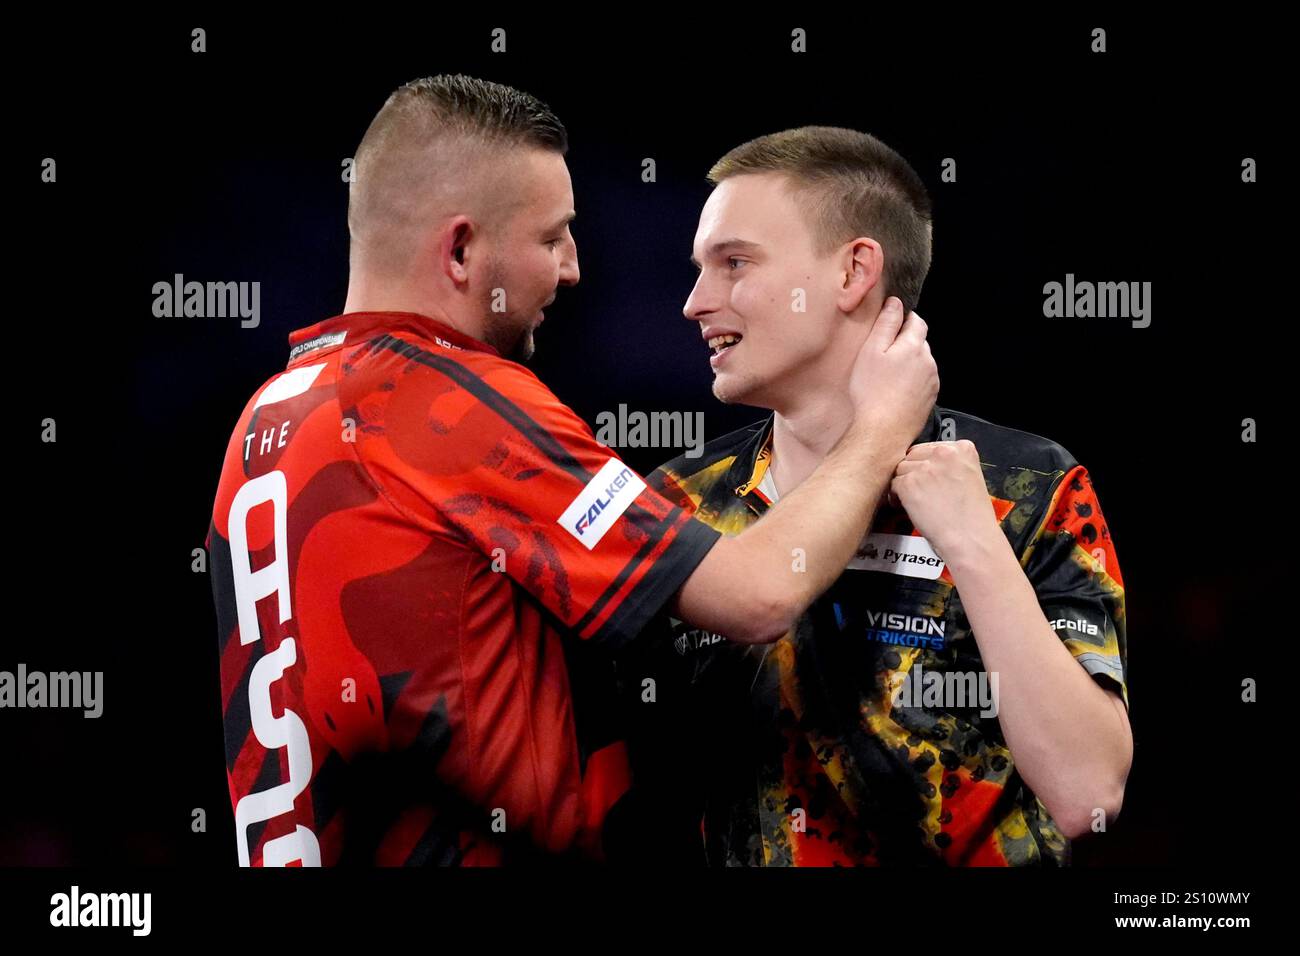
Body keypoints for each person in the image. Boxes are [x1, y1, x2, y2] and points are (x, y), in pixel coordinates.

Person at [207, 80, 937, 866]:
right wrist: (881, 427)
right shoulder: (443, 403)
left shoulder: (269, 417)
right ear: (460, 252)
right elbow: (758, 592)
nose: (573, 267)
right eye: (552, 237)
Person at [628, 126, 1132, 866]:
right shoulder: (675, 502)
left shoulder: (1027, 486)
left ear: (853, 272)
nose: (694, 302)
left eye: (733, 263)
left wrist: (972, 541)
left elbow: (1088, 792)